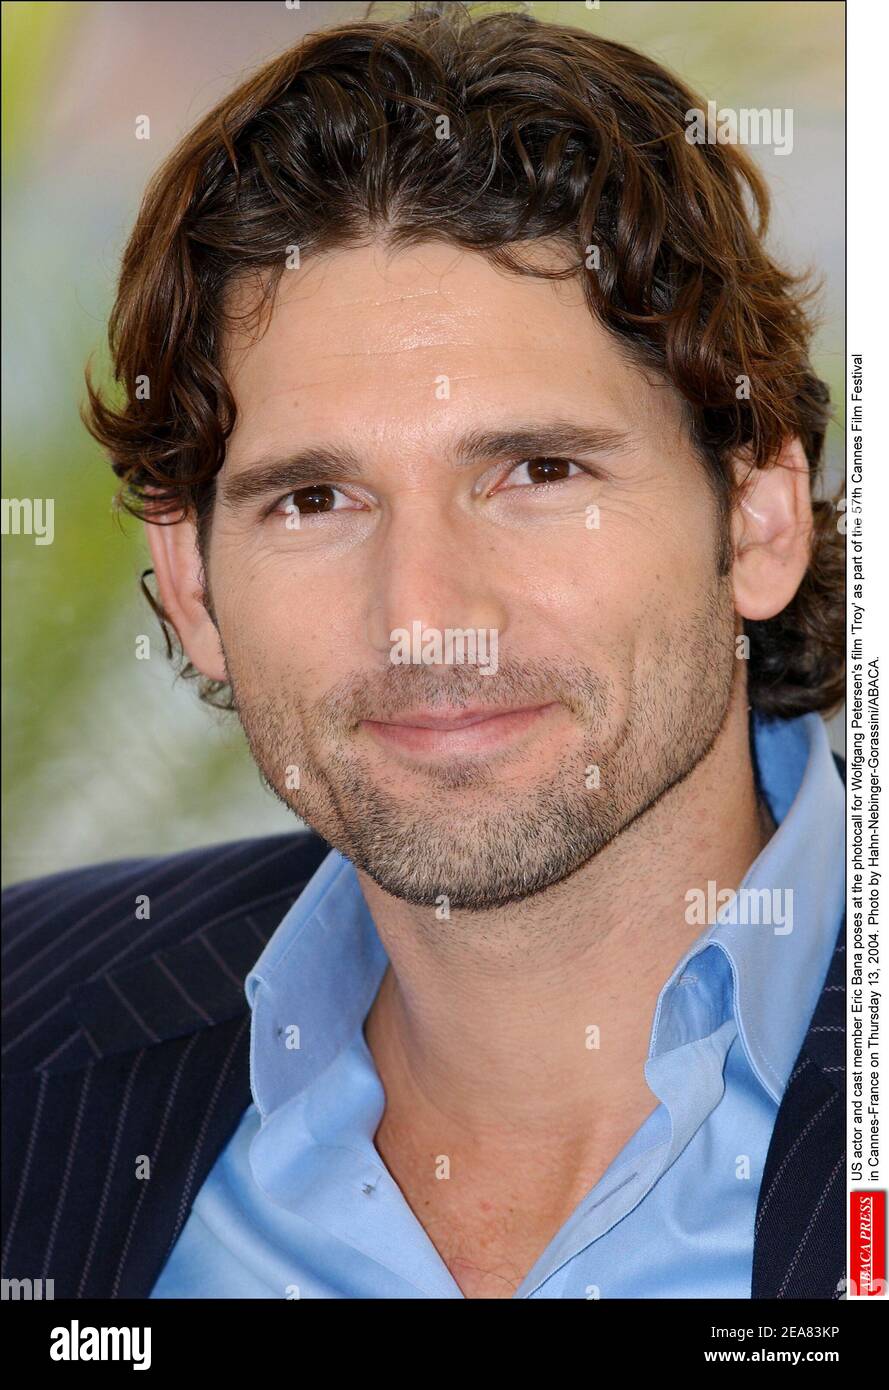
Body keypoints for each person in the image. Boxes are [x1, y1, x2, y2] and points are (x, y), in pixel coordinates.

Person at [2, 2, 845, 1300]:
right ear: (191, 585)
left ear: (757, 515)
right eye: (314, 500)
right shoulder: (26, 1024)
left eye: (537, 470)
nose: (423, 614)